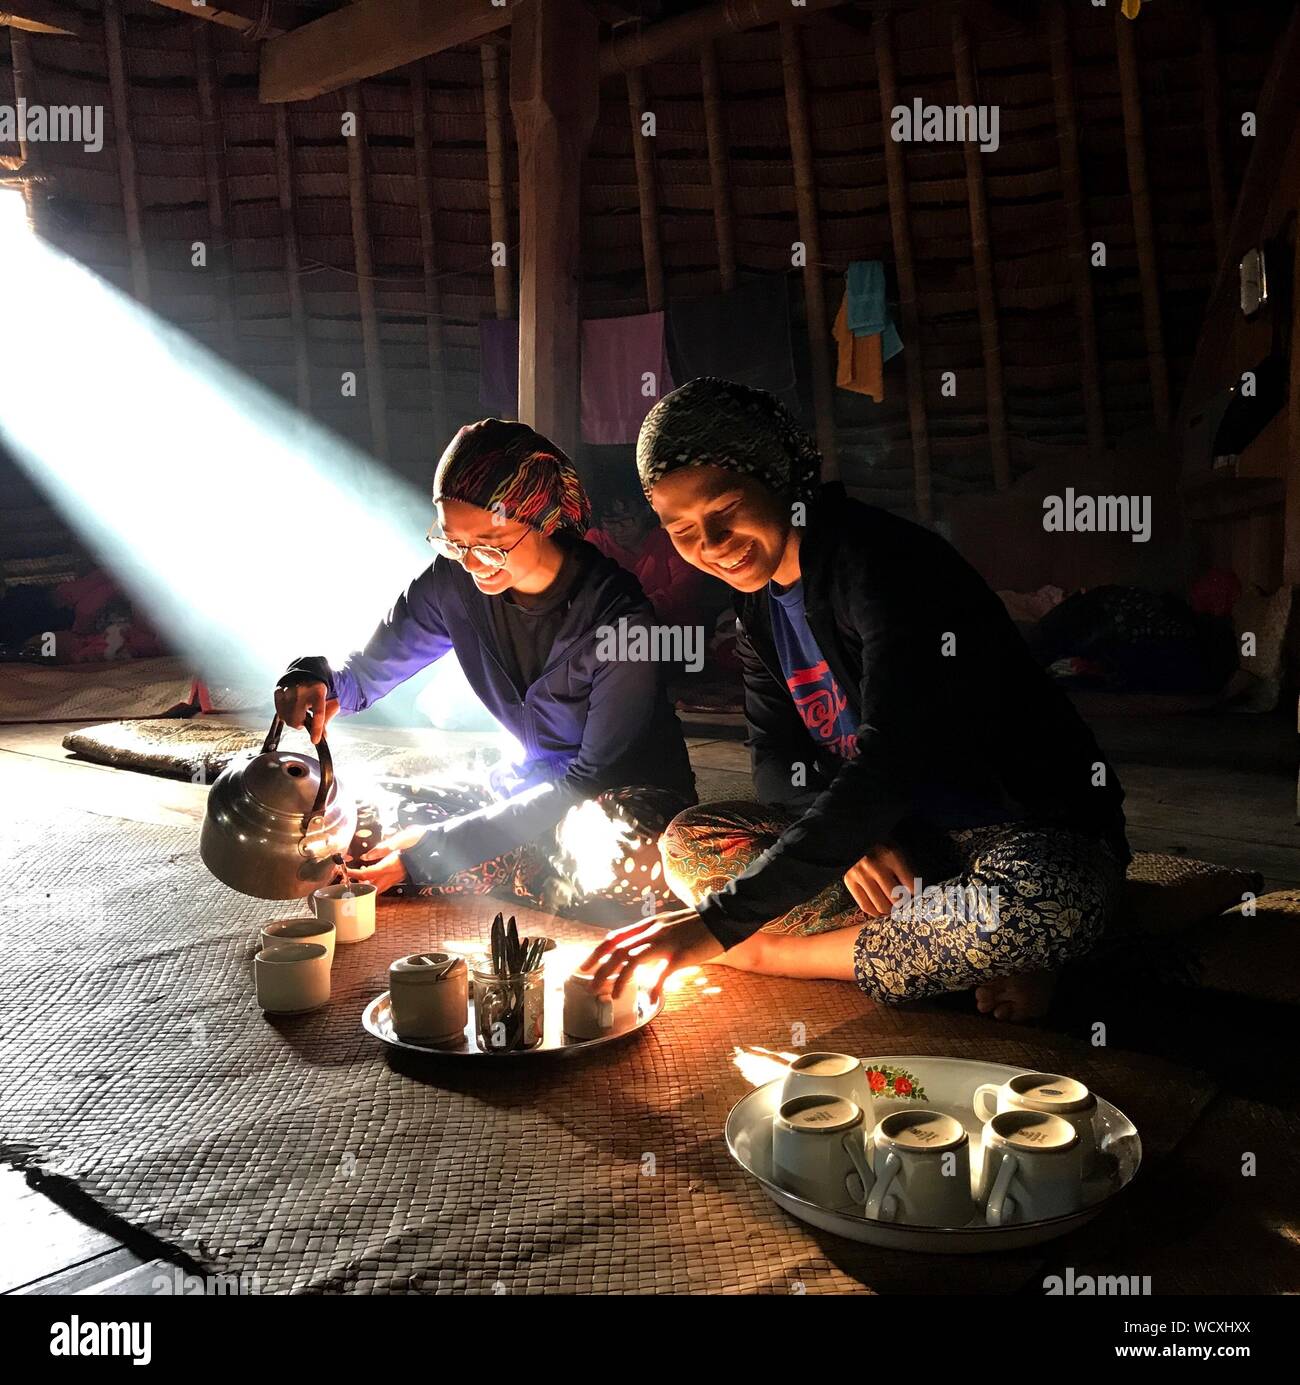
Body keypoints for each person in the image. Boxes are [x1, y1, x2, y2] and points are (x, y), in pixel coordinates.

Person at [584, 377, 1131, 1022]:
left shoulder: (881, 565)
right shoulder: (757, 611)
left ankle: (777, 955)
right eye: (681, 530)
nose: (710, 544)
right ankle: (966, 953)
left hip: (1021, 832)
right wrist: (863, 837)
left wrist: (719, 928)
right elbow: (774, 765)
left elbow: (891, 757)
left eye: (727, 509)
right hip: (906, 850)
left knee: (1050, 902)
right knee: (690, 841)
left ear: (783, 478)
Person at [274, 418, 696, 913]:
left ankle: (471, 864)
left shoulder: (620, 621)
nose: (472, 563)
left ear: (542, 520)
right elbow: (364, 674)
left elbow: (588, 781)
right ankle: (503, 866)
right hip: (520, 791)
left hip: (613, 802)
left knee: (630, 857)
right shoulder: (452, 583)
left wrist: (433, 851)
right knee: (352, 815)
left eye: (491, 544)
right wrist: (314, 679)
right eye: (454, 542)